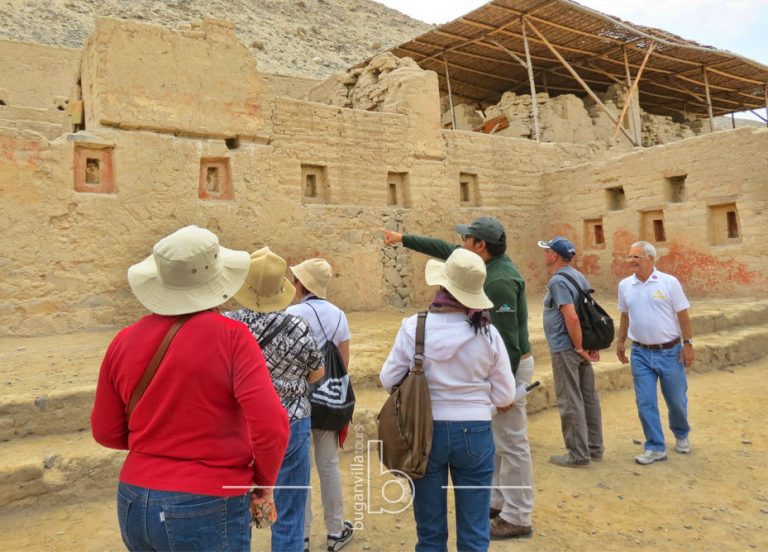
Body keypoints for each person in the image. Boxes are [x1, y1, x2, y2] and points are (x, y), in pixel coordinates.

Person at [91, 225, 289, 551]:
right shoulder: (232, 338)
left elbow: (105, 431)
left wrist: (159, 443)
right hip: (208, 500)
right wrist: (264, 484)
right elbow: (271, 426)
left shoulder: (123, 341)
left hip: (135, 497)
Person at [381, 216, 535, 539]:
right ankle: (495, 501)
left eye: (467, 239)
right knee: (474, 531)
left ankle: (518, 512)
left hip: (434, 426)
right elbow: (440, 247)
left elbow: (510, 345)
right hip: (477, 417)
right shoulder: (481, 305)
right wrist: (404, 238)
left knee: (512, 444)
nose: (461, 243)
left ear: (480, 246)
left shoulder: (497, 282)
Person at [226, 247, 325, 552]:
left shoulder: (230, 325)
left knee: (233, 509)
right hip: (290, 422)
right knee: (291, 510)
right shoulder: (297, 325)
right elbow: (316, 372)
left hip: (241, 424)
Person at [286, 258, 354, 552]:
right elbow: (344, 362)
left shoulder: (290, 314)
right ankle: (336, 531)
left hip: (296, 400)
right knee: (328, 466)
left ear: (303, 284)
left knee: (298, 470)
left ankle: (300, 537)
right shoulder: (339, 316)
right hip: (328, 401)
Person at [616, 241, 694, 465]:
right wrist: (621, 342)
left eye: (636, 257)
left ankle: (681, 433)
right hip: (640, 352)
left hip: (670, 351)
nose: (631, 261)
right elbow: (624, 315)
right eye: (629, 256)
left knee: (676, 400)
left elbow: (683, 315)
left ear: (651, 259)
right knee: (645, 402)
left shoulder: (669, 283)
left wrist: (687, 344)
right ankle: (655, 446)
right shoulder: (625, 285)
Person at [539, 236, 604, 468]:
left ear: (554, 255)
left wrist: (577, 346)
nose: (544, 254)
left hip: (566, 347)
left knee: (570, 399)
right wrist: (585, 345)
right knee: (588, 397)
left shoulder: (558, 281)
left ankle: (578, 454)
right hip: (582, 345)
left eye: (546, 250)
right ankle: (594, 447)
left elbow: (572, 316)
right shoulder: (579, 276)